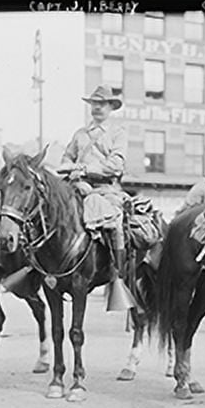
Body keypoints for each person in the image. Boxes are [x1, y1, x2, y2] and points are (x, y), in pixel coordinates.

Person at [60, 84, 129, 291]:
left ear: (110, 107)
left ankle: (118, 273)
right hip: (76, 187)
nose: (97, 108)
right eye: (94, 104)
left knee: (115, 222)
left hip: (105, 189)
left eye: (102, 104)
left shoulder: (118, 133)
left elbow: (115, 165)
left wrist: (84, 169)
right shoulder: (80, 134)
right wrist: (71, 170)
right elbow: (66, 158)